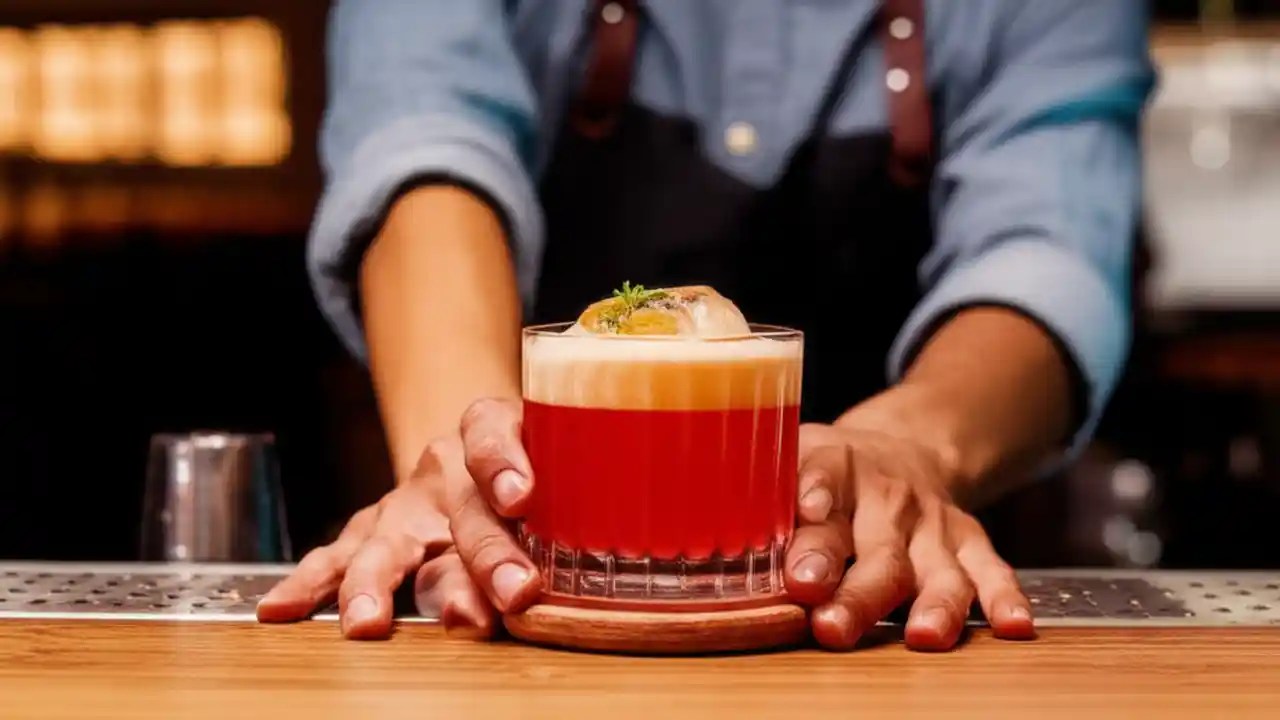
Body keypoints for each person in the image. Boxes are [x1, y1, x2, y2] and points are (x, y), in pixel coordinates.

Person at [257, 0, 1154, 651]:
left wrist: (908, 447)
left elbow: (1049, 249)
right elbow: (422, 135)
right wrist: (470, 465)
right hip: (544, 623)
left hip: (884, 623)